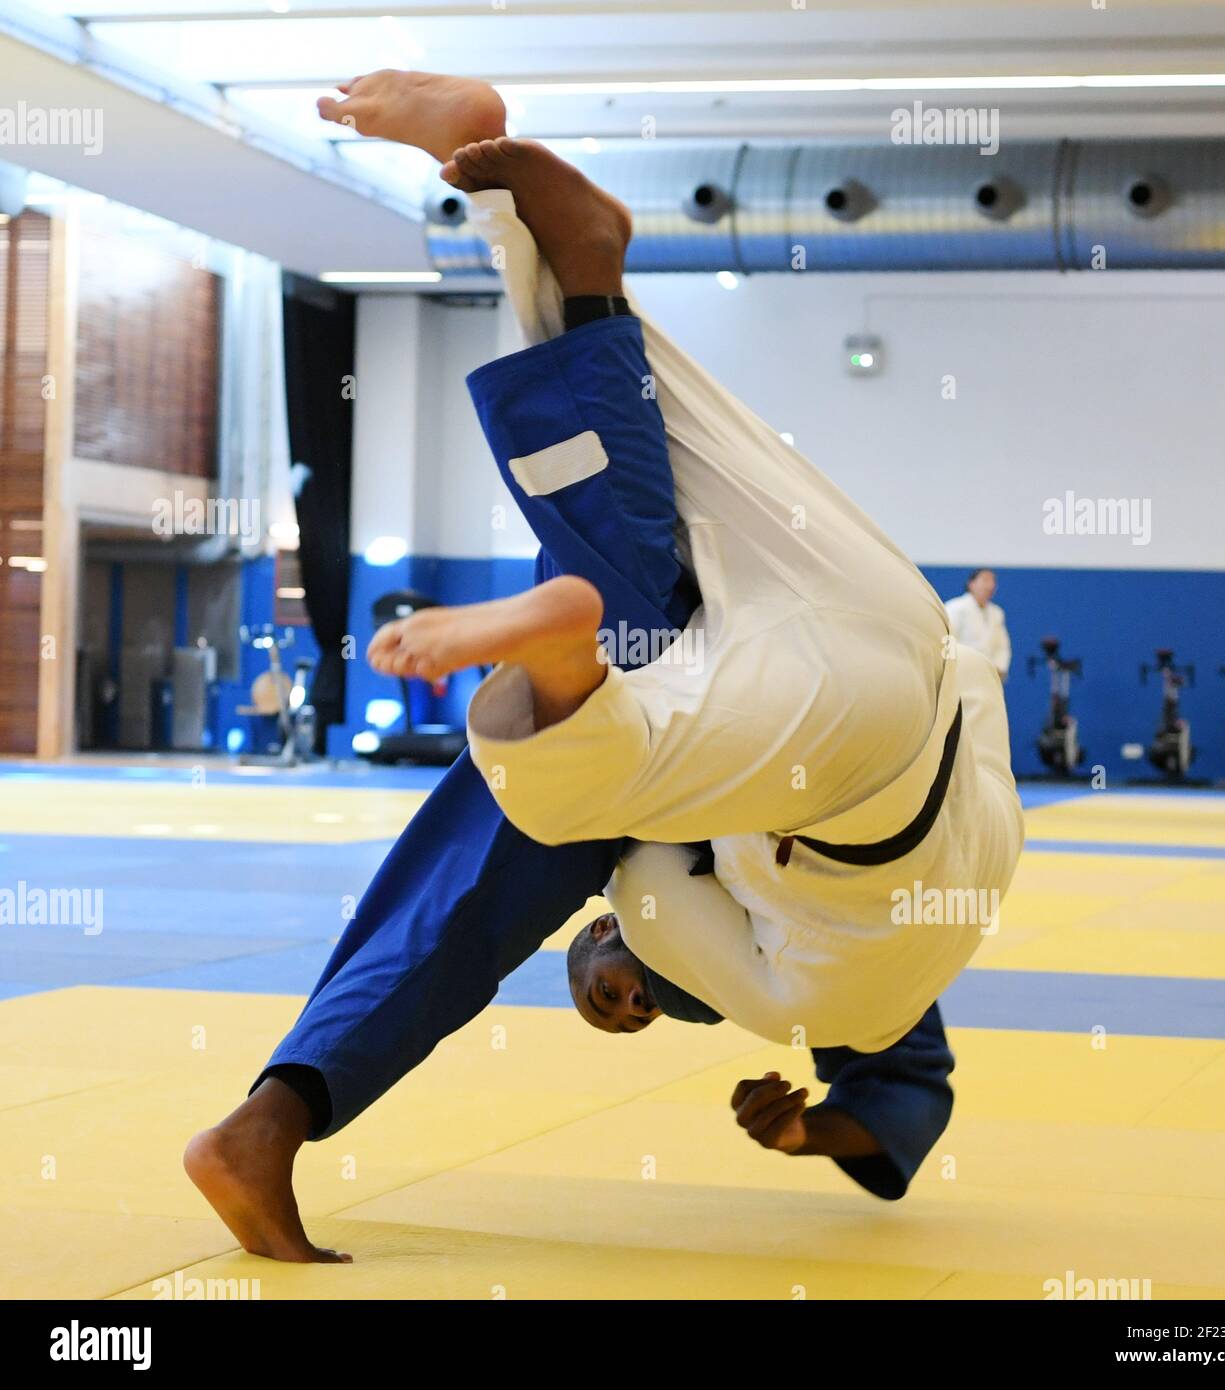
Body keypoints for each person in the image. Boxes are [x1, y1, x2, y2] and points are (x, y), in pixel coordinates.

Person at [183, 69, 1020, 1263]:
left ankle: (562, 256)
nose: (616, 992)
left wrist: (820, 1131)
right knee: (576, 784)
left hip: (865, 606)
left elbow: (886, 1073)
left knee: (654, 521)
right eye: (621, 993)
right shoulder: (792, 986)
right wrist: (814, 1120)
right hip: (858, 729)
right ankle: (559, 646)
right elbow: (827, 1023)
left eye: (601, 999)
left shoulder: (873, 956)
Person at [944, 568, 1011, 680]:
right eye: (985, 580)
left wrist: (998, 669)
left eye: (993, 581)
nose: (990, 586)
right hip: (961, 674)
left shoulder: (997, 613)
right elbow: (948, 641)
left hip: (989, 675)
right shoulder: (955, 608)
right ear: (971, 584)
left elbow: (1002, 646)